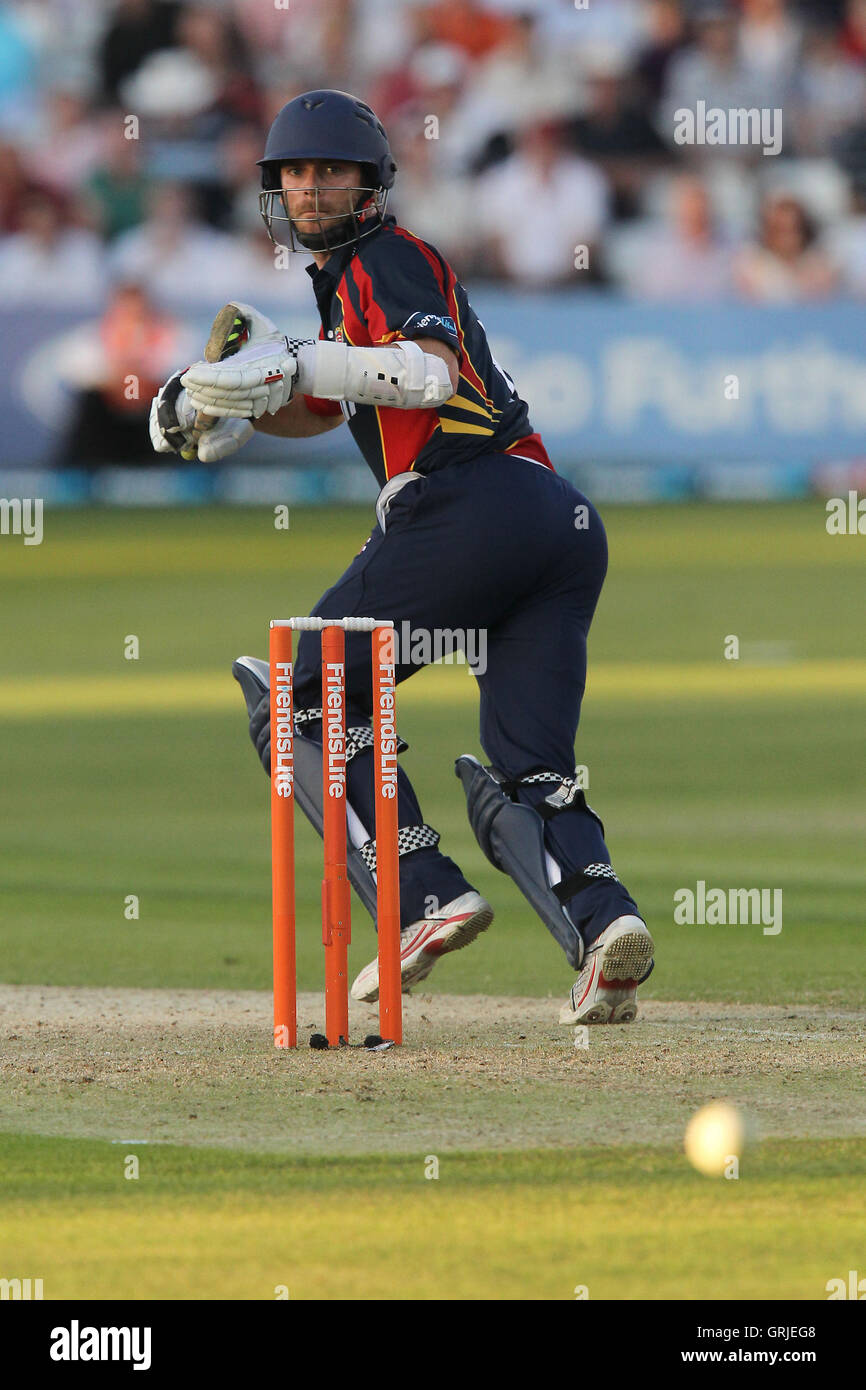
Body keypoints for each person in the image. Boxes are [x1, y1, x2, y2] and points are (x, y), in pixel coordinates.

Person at [149, 89, 655, 1027]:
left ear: (370, 183)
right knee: (528, 769)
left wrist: (296, 360)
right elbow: (342, 400)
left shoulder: (384, 256)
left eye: (329, 171)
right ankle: (605, 928)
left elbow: (425, 371)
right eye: (294, 174)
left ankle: (422, 894)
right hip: (554, 523)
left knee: (302, 692)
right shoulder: (344, 286)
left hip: (470, 504)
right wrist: (243, 401)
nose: (309, 188)